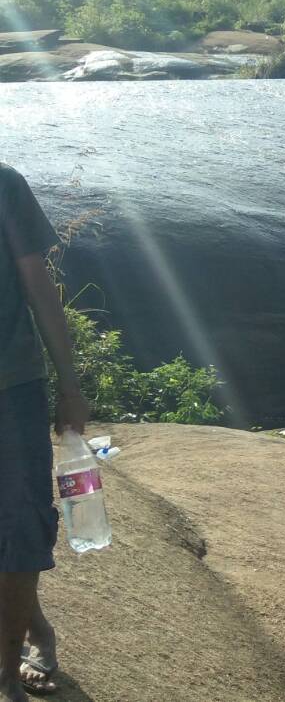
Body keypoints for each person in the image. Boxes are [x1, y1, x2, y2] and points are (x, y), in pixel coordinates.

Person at [0, 163, 88, 701]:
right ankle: (37, 629)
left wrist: (70, 386)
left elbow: (38, 285)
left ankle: (6, 676)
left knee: (21, 525)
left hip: (10, 387)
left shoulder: (3, 184)